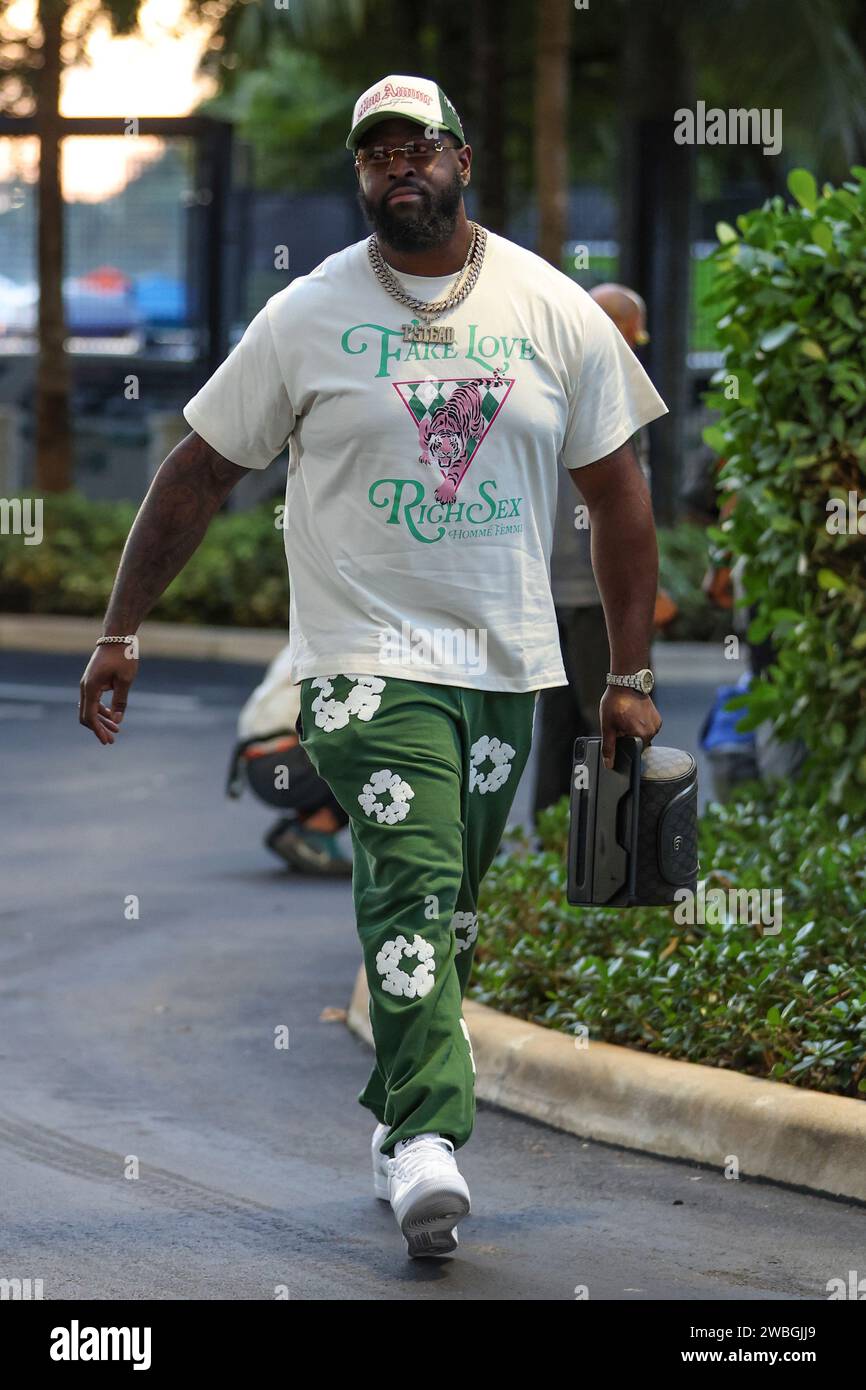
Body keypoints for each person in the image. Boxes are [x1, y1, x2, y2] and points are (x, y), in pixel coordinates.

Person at [78, 73, 667, 1260]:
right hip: (359, 662)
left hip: (504, 664)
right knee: (406, 876)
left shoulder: (550, 309)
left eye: (418, 148)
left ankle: (395, 1113)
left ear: (461, 158)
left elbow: (616, 494)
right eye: (375, 154)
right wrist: (118, 627)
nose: (399, 167)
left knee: (445, 904)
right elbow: (198, 473)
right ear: (361, 176)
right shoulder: (303, 315)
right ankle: (428, 1141)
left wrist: (628, 673)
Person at [532, 282, 659, 820]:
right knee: (607, 720)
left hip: (548, 586)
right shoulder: (606, 391)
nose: (635, 348)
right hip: (590, 592)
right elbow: (627, 509)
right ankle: (610, 850)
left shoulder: (546, 380)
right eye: (629, 337)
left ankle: (549, 839)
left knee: (560, 723)